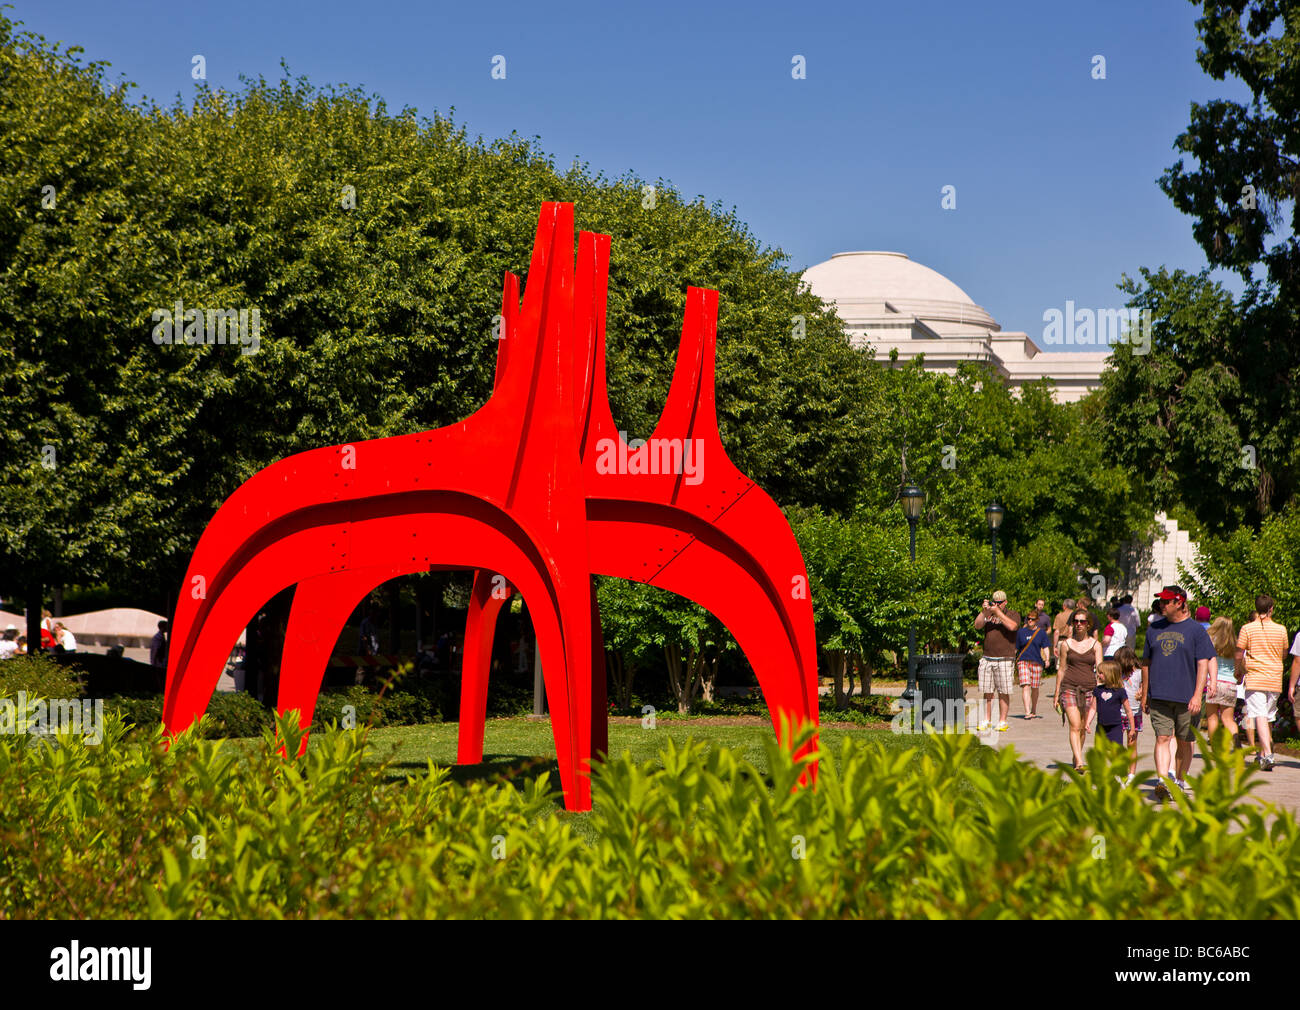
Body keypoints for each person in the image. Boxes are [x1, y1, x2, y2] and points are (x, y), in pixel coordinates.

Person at [1142, 586, 1213, 799]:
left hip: (1187, 698)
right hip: (1160, 695)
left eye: (1166, 601)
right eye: (1161, 601)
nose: (1162, 605)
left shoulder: (1196, 631)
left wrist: (1197, 695)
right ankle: (1163, 782)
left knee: (1184, 741)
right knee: (1162, 737)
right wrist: (1145, 693)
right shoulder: (1154, 628)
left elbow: (1203, 664)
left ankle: (1180, 781)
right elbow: (1146, 663)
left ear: (1179, 602)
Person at [1236, 594, 1288, 772]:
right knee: (1266, 716)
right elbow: (1284, 653)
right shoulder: (1281, 630)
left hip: (1256, 676)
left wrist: (1238, 671)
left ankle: (1267, 754)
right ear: (1271, 608)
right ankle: (1263, 755)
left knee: (1260, 715)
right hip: (1274, 677)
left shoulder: (1247, 629)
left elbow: (1238, 653)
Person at [1053, 607, 1101, 771]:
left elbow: (1100, 670)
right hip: (1069, 687)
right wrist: (1056, 693)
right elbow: (1062, 669)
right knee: (1074, 724)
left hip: (1089, 689)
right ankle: (1079, 762)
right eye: (1076, 621)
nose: (1079, 624)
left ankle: (1077, 755)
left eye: (1082, 621)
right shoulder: (1066, 644)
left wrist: (1101, 691)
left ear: (1088, 624)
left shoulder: (1096, 645)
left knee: (1082, 727)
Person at [974, 590, 1020, 732]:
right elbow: (977, 625)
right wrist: (984, 611)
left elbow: (1013, 626)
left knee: (1003, 691)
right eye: (995, 602)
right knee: (987, 691)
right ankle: (986, 719)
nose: (997, 605)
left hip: (1005, 658)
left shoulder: (1013, 614)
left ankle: (1002, 721)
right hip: (988, 657)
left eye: (999, 603)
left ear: (1005, 602)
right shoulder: (989, 614)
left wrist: (998, 612)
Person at [1204, 616, 1240, 746]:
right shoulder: (1235, 643)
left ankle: (1215, 746)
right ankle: (1235, 740)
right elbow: (1240, 664)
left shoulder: (1210, 641)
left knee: (1212, 717)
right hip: (1230, 684)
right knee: (1228, 719)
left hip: (1213, 682)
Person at [1015, 606, 1051, 719]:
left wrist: (1047, 659)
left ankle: (1033, 709)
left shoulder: (1041, 633)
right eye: (1028, 618)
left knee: (1035, 687)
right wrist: (1011, 658)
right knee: (1026, 685)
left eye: (1032, 619)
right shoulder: (1021, 632)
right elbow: (1016, 648)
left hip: (1037, 662)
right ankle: (1027, 711)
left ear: (1037, 620)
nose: (1030, 621)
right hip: (1023, 661)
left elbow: (1045, 647)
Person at [1092, 658, 1133, 750]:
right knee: (1099, 751)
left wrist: (1132, 728)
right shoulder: (1098, 690)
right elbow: (1093, 708)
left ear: (1109, 675)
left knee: (1116, 751)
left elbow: (1128, 711)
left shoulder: (1120, 692)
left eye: (1101, 673)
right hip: (1101, 727)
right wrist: (1088, 722)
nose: (1098, 674)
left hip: (1115, 727)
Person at [1115, 646, 1142, 785]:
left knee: (1131, 743)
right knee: (1117, 744)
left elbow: (1144, 686)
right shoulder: (1117, 674)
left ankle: (1131, 773)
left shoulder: (1139, 673)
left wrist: (1142, 693)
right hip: (1118, 712)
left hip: (1135, 711)